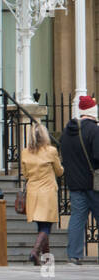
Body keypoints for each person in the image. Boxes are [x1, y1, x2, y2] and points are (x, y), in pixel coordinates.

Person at [59, 94, 99, 264]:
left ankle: (74, 255)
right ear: (93, 111)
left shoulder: (67, 132)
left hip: (75, 183)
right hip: (94, 183)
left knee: (77, 219)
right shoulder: (94, 131)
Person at [21, 122, 64, 266]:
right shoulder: (51, 151)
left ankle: (45, 259)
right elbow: (59, 171)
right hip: (47, 192)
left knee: (41, 226)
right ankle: (35, 251)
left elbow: (25, 174)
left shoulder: (25, 152)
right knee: (47, 226)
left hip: (33, 192)